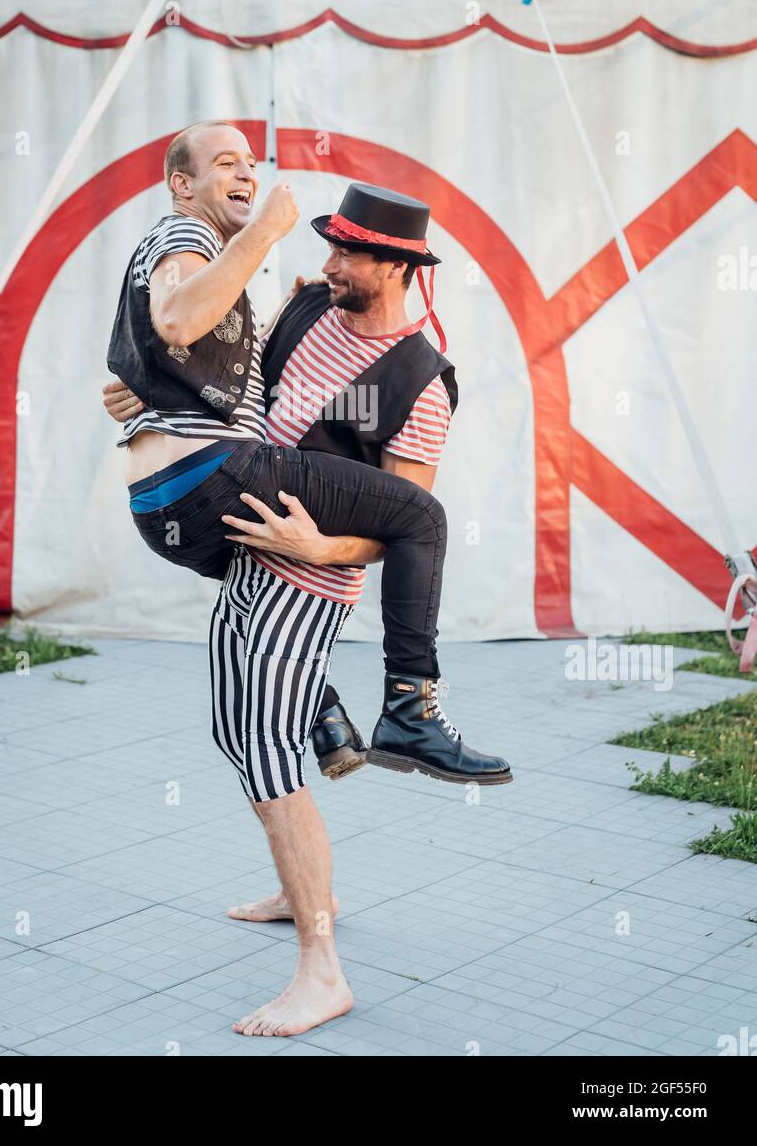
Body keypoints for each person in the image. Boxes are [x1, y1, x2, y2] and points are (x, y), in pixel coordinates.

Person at [104, 120, 512, 1035]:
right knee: (233, 727)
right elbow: (220, 380)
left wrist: (320, 548)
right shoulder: (299, 309)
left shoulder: (423, 383)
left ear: (400, 267)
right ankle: (304, 881)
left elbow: (399, 528)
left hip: (308, 579)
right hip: (241, 538)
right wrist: (141, 393)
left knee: (269, 750)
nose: (330, 260)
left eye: (351, 252)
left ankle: (322, 968)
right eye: (327, 242)